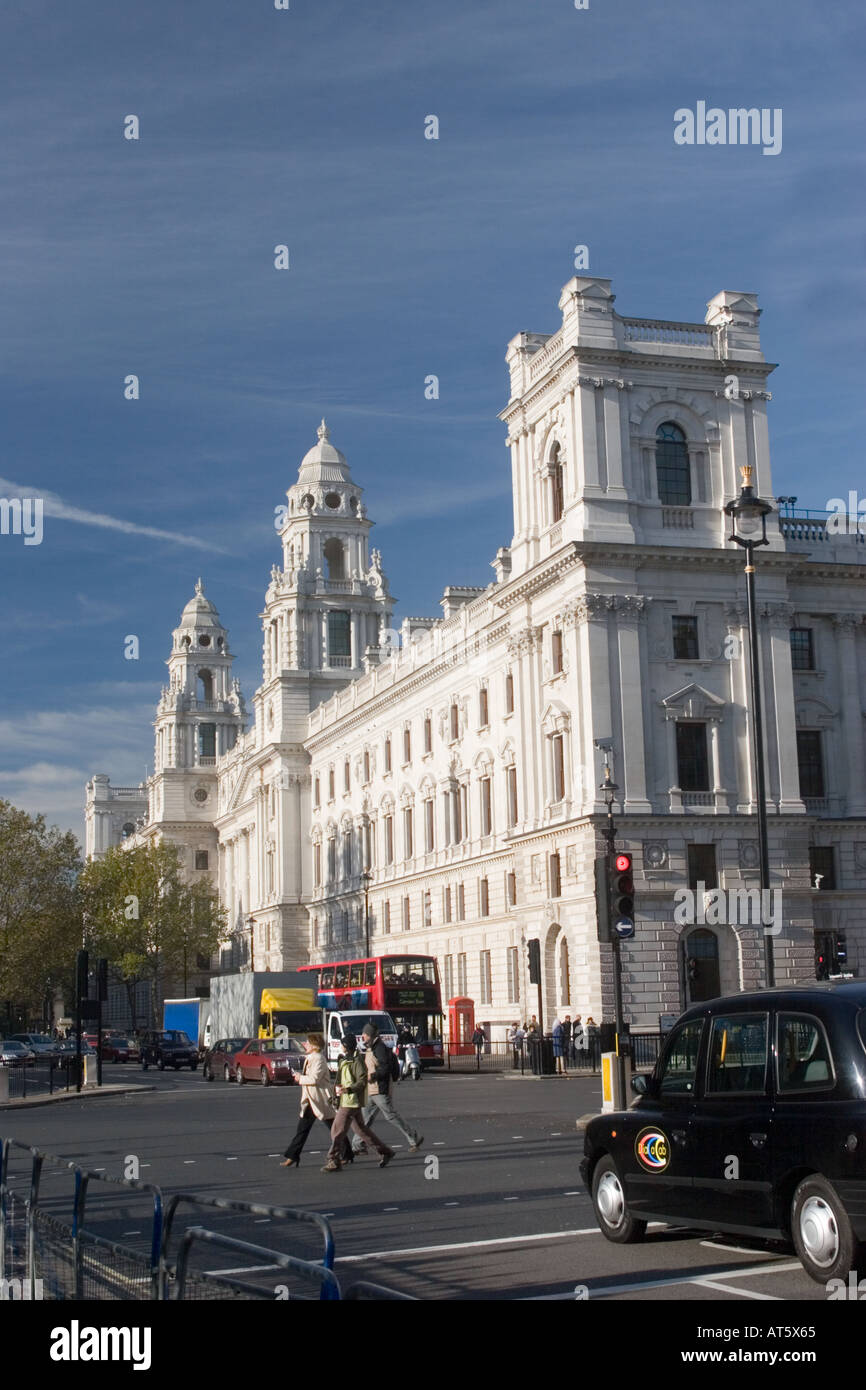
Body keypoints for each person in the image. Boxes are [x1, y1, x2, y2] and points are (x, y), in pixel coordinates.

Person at [321, 1033, 393, 1171]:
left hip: (351, 1101)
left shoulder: (356, 1061)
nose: (341, 1046)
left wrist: (348, 1089)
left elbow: (361, 1080)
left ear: (346, 1046)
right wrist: (335, 1095)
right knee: (361, 1131)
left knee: (337, 1130)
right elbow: (340, 1080)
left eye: (342, 1044)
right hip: (346, 1099)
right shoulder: (345, 1059)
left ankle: (333, 1159)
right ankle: (386, 1152)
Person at [351, 1021, 423, 1154]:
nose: (362, 1036)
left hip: (379, 1088)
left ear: (370, 1035)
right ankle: (357, 1145)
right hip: (372, 1088)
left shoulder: (379, 1048)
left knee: (390, 1116)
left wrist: (372, 1076)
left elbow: (385, 1068)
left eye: (365, 1034)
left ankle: (414, 1137)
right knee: (365, 1118)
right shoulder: (372, 1047)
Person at [280, 1034, 335, 1168]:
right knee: (302, 1129)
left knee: (334, 1128)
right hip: (311, 1099)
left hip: (320, 1098)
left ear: (315, 1046)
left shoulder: (319, 1059)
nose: (305, 1044)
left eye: (308, 1043)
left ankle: (346, 1153)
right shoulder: (311, 1058)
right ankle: (293, 1155)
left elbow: (314, 1079)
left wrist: (300, 1078)